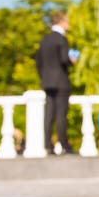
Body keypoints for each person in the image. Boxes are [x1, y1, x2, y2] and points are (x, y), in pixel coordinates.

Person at [35, 12, 77, 154]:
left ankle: (48, 145)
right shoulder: (61, 39)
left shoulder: (44, 39)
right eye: (67, 21)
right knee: (61, 114)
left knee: (49, 114)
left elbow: (38, 62)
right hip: (61, 81)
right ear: (61, 22)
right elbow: (64, 59)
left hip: (47, 82)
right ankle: (64, 144)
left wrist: (44, 77)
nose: (69, 24)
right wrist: (72, 61)